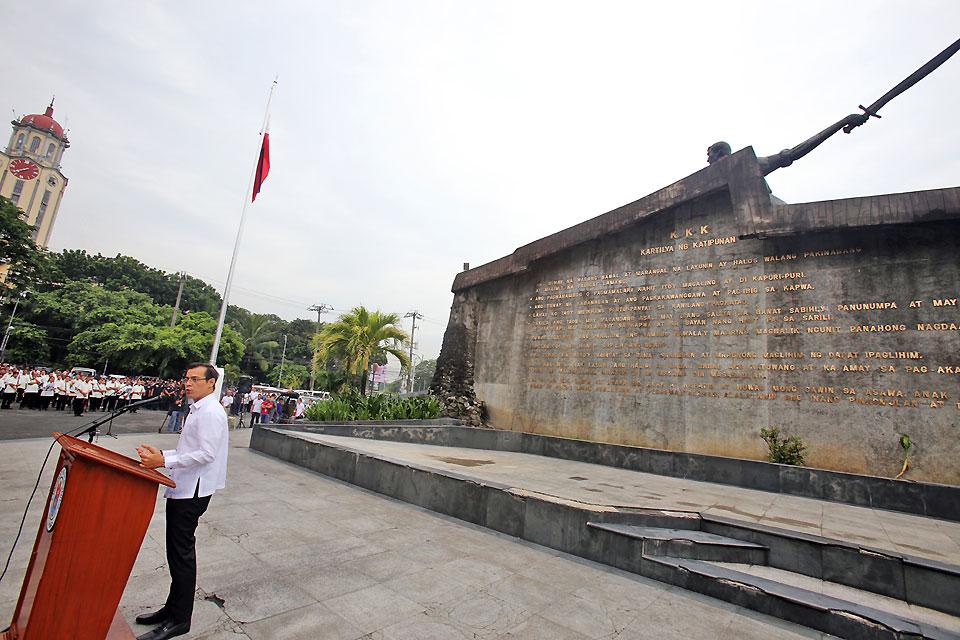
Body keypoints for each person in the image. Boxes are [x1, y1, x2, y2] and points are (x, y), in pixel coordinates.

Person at [135, 363, 228, 640]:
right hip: (184, 486)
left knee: (182, 556)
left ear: (211, 382)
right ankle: (171, 608)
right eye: (186, 378)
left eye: (195, 379)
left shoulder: (211, 412)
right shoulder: (198, 409)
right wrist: (162, 454)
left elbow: (206, 454)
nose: (188, 383)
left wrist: (164, 461)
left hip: (193, 492)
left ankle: (179, 620)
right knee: (176, 554)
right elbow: (190, 449)